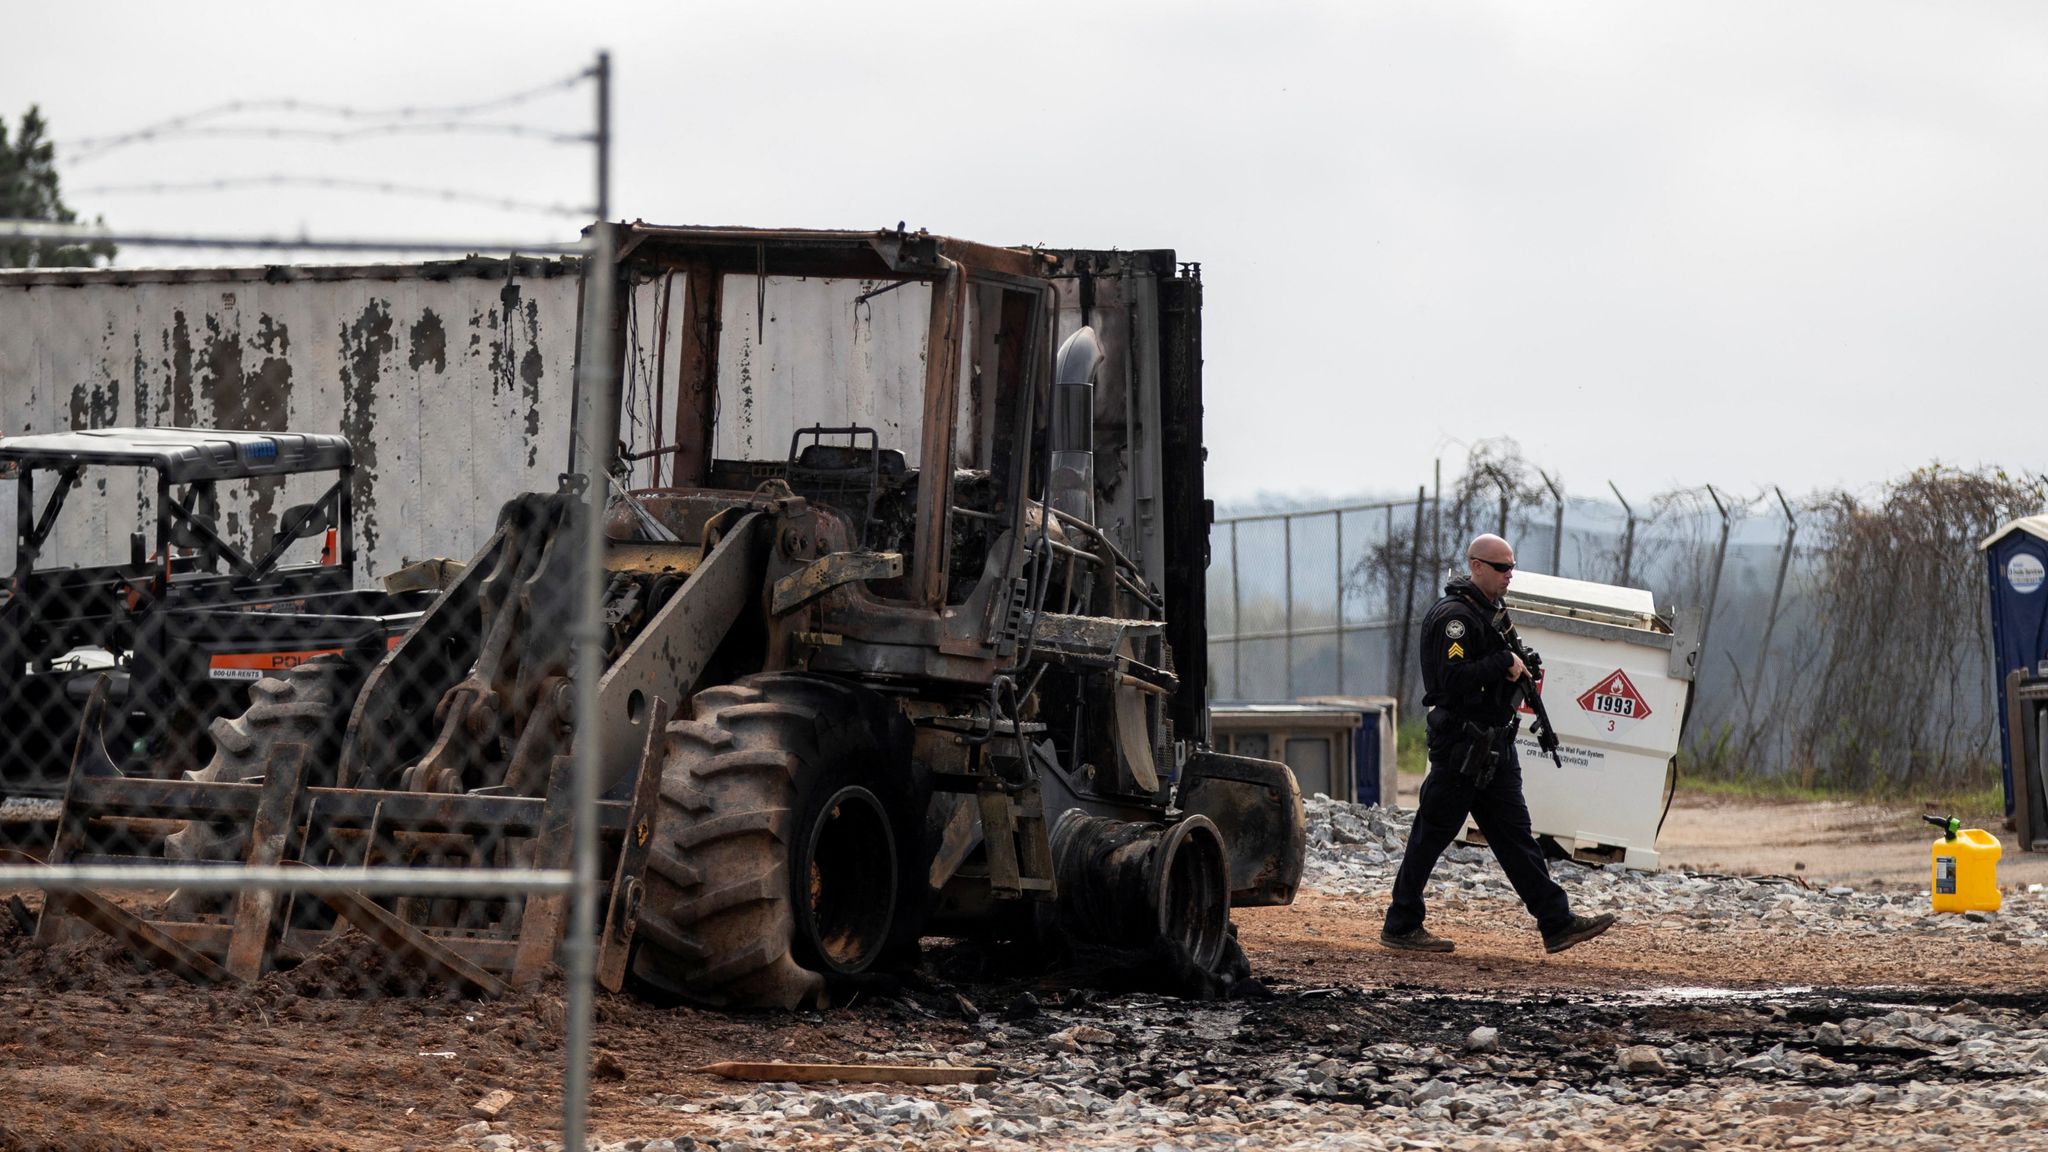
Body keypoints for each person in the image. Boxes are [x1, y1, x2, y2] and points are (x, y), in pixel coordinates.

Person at [1379, 533, 1617, 955]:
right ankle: (1400, 924)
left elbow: (1503, 667)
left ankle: (1556, 922)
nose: (1510, 575)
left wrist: (1519, 666)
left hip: (1494, 747)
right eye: (1501, 567)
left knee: (1515, 838)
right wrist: (1502, 663)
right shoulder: (1455, 618)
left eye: (1512, 567)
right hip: (1462, 747)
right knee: (1431, 834)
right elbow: (1449, 680)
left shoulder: (1491, 613)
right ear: (1476, 566)